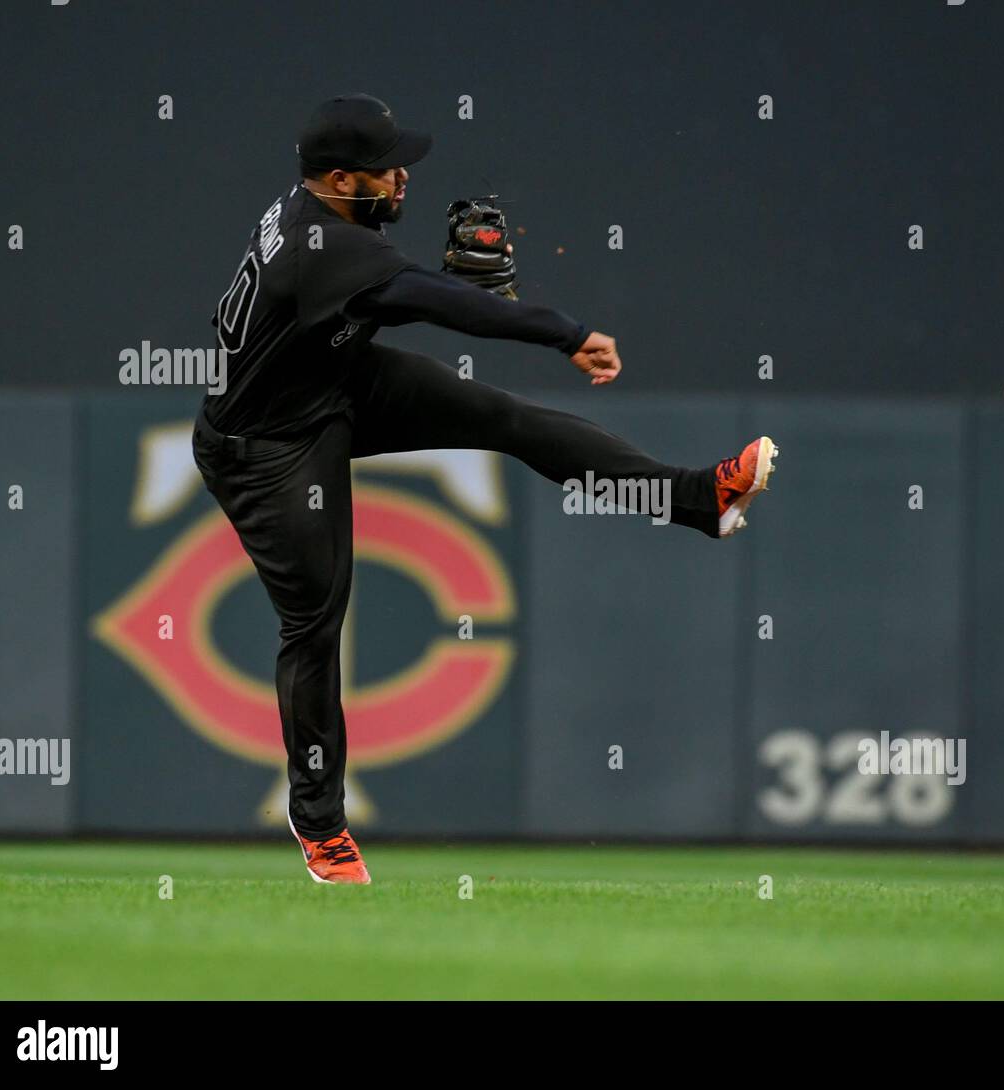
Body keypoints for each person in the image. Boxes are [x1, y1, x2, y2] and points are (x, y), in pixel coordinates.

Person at [192, 94, 778, 884]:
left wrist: (430, 279)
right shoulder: (325, 246)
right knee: (314, 619)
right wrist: (564, 332)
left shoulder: (320, 217)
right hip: (263, 449)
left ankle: (698, 499)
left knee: (498, 415)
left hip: (323, 382)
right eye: (382, 169)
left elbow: (387, 289)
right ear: (337, 179)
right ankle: (319, 822)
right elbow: (439, 306)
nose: (402, 176)